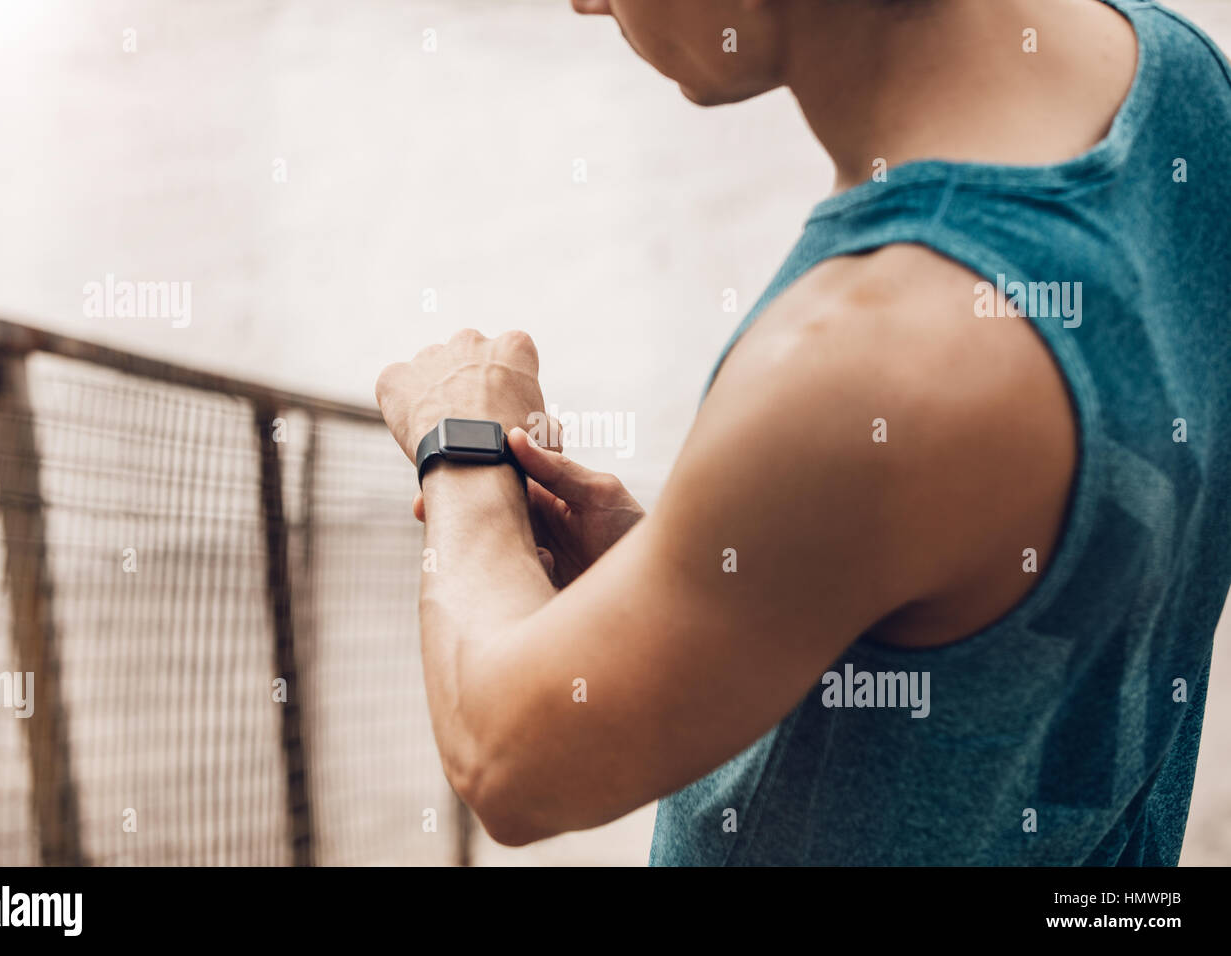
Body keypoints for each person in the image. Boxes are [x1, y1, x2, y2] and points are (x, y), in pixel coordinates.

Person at [373, 0, 1231, 865]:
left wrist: (463, 444)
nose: (584, 1)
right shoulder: (1181, 81)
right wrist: (711, 567)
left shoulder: (871, 356)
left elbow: (508, 764)